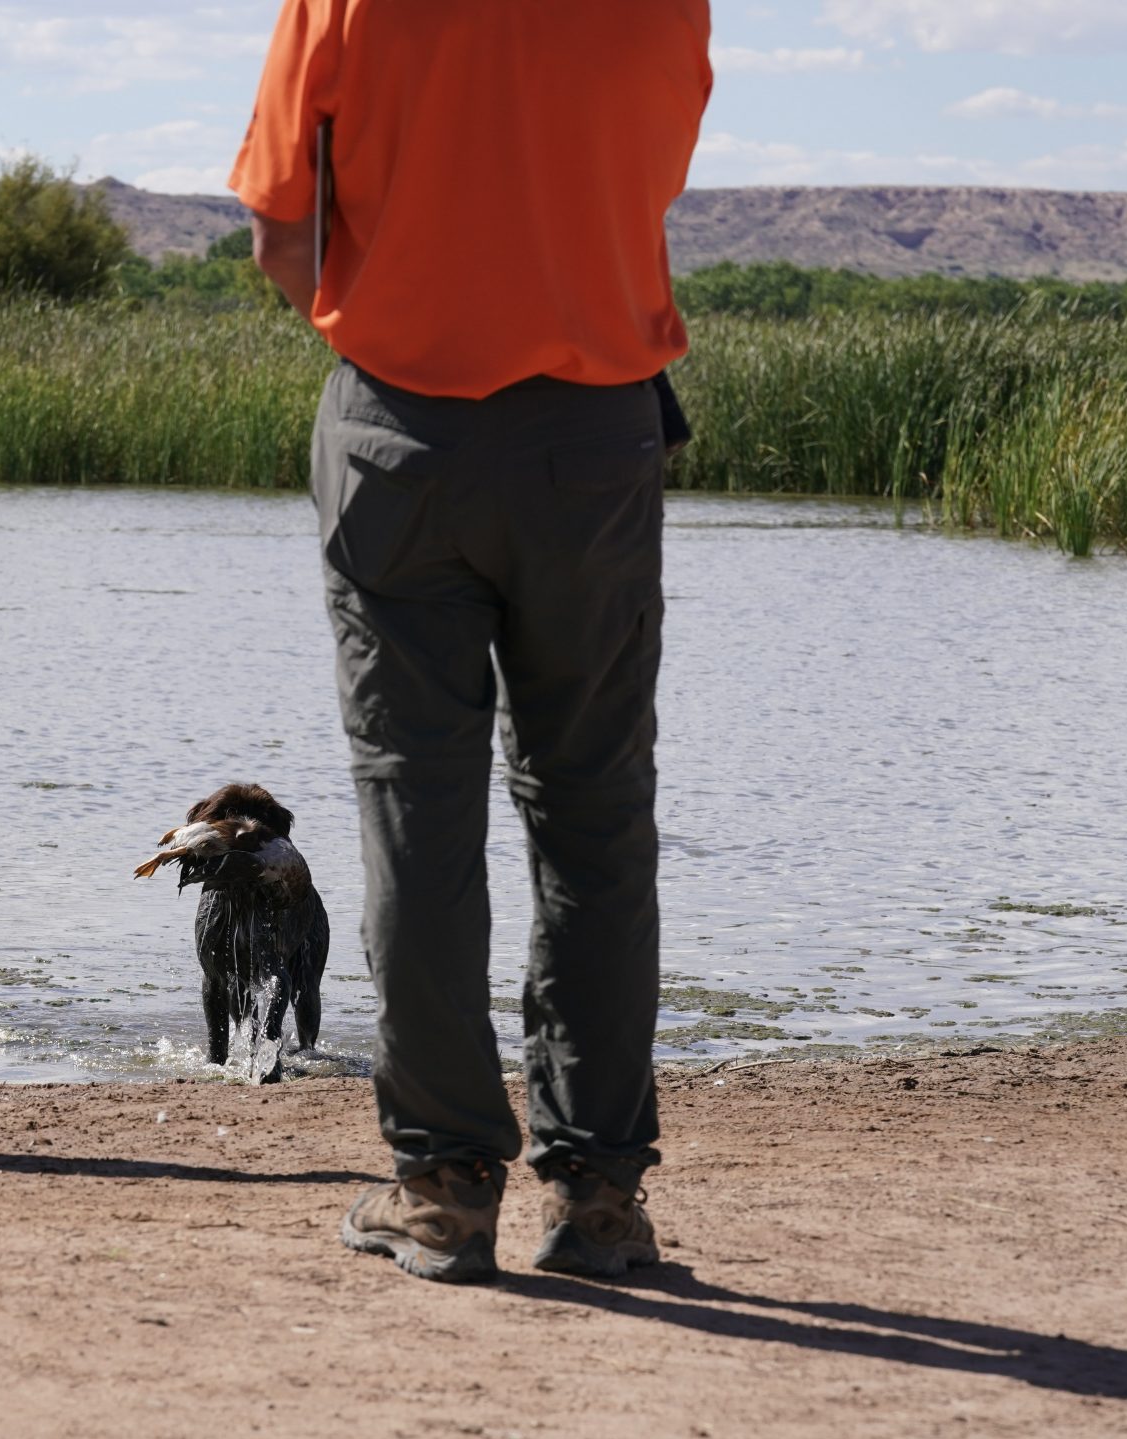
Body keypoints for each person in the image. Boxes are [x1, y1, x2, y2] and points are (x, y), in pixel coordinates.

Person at [231, 1, 712, 1282]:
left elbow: (282, 232)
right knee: (595, 811)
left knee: (418, 812)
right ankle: (598, 1193)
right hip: (595, 437)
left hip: (401, 432)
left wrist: (394, 324)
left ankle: (443, 1186)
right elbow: (639, 183)